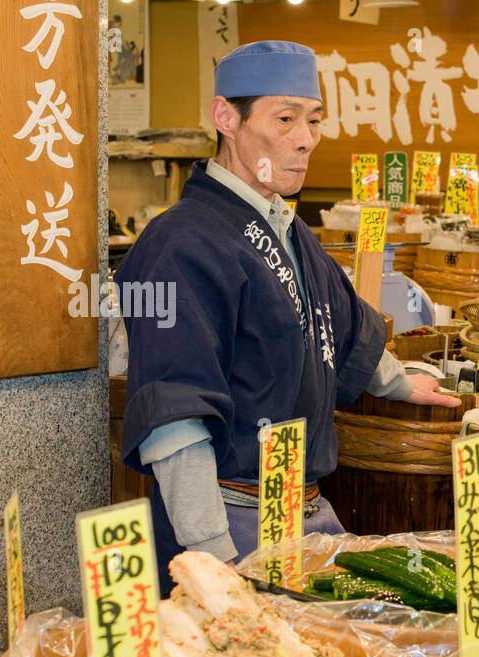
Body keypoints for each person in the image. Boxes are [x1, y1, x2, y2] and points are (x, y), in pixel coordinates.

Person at [117, 40, 458, 595]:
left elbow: (337, 322)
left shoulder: (289, 231)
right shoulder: (178, 243)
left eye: (315, 120)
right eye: (285, 118)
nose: (306, 138)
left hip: (305, 514)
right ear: (226, 117)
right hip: (230, 521)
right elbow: (175, 413)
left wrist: (400, 382)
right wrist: (212, 555)